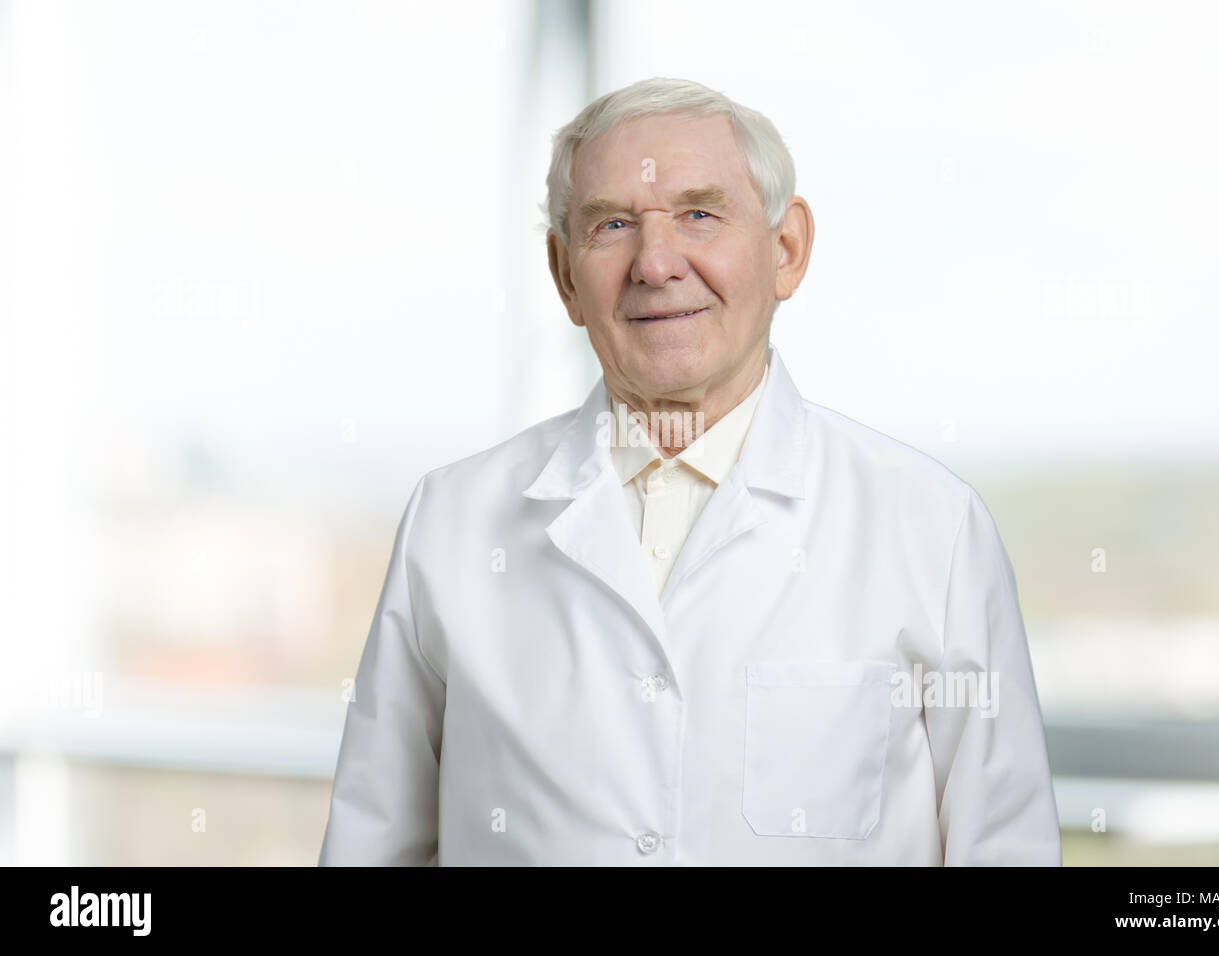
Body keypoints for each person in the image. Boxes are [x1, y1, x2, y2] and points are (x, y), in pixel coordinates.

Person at [318, 76, 1060, 866]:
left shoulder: (930, 527)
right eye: (611, 225)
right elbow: (374, 846)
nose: (656, 262)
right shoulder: (453, 520)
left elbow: (1004, 848)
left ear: (786, 250)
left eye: (700, 214)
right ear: (565, 274)